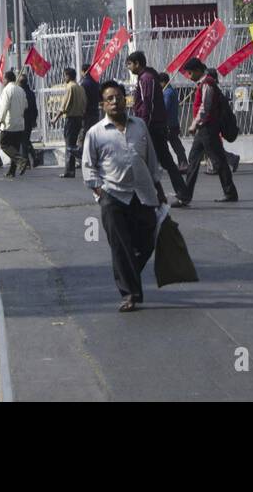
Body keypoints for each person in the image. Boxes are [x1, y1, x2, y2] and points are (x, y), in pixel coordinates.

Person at [82, 79, 168, 313]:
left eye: (119, 97)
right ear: (103, 104)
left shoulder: (139, 125)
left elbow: (151, 159)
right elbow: (88, 167)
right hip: (112, 196)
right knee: (120, 247)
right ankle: (130, 294)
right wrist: (100, 192)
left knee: (148, 239)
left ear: (125, 100)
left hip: (142, 194)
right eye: (110, 98)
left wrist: (159, 189)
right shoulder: (96, 133)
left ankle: (128, 272)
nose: (115, 101)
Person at [126, 51, 187, 199]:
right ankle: (161, 194)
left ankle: (177, 193)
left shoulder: (146, 79)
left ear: (137, 64)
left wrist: (143, 126)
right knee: (152, 161)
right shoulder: (146, 77)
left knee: (160, 161)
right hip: (152, 125)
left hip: (152, 127)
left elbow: (148, 104)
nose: (129, 68)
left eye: (129, 64)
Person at [178, 57, 238, 206]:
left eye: (190, 73)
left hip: (207, 128)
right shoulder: (204, 83)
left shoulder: (208, 84)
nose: (189, 77)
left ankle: (230, 192)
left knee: (218, 161)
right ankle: (185, 196)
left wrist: (194, 124)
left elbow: (205, 107)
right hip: (203, 129)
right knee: (193, 160)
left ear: (198, 71)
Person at [0, 70, 29, 179]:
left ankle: (21, 161)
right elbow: (26, 105)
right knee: (14, 147)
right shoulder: (21, 90)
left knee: (4, 144)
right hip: (20, 123)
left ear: (6, 79)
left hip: (8, 123)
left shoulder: (6, 90)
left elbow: (3, 108)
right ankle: (12, 171)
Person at [58, 67, 86, 179]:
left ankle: (69, 170)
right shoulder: (80, 87)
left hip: (71, 119)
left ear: (68, 76)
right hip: (79, 118)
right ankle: (73, 168)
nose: (64, 78)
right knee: (73, 144)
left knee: (69, 146)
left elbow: (64, 106)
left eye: (65, 75)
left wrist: (55, 118)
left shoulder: (70, 87)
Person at [159, 73, 189, 170]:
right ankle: (182, 163)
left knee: (172, 145)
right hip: (173, 123)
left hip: (168, 124)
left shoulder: (167, 93)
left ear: (163, 82)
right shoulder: (173, 91)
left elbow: (165, 108)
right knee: (175, 144)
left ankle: (182, 164)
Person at [20, 73, 40, 168]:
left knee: (23, 141)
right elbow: (35, 108)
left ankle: (26, 162)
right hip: (30, 119)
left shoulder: (21, 93)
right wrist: (34, 119)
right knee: (26, 140)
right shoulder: (30, 93)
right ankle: (34, 157)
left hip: (23, 119)